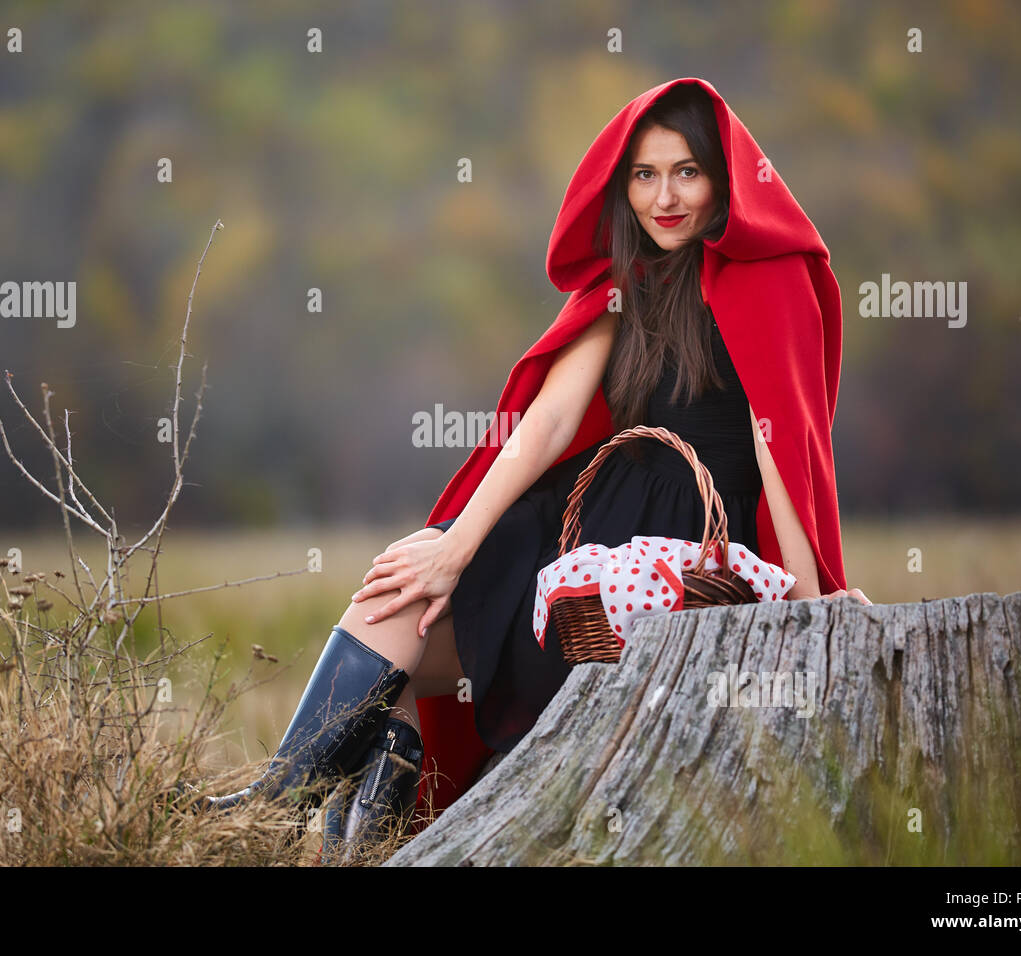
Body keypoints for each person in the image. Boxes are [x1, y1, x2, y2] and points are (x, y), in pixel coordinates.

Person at [199, 78, 870, 861]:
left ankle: (336, 826)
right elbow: (545, 422)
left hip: (689, 548)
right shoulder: (623, 287)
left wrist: (811, 600)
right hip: (588, 519)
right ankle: (279, 812)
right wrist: (454, 545)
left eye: (686, 171)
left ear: (724, 178)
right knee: (397, 601)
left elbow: (778, 441)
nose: (665, 196)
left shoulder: (768, 274)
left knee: (437, 651)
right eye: (644, 175)